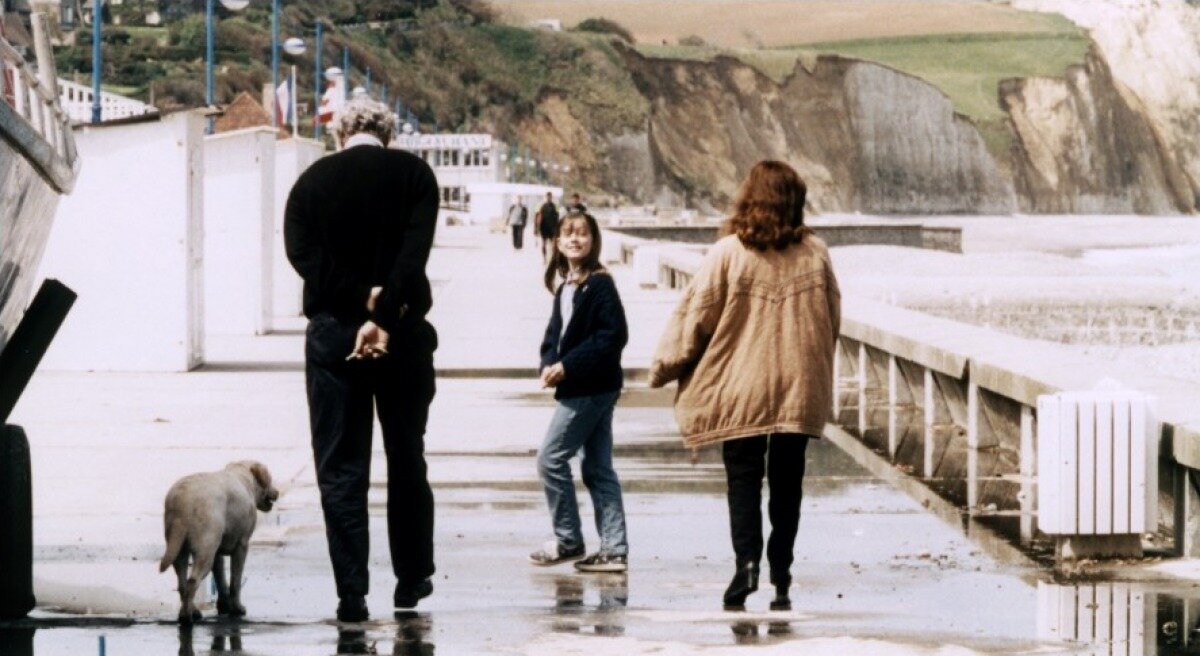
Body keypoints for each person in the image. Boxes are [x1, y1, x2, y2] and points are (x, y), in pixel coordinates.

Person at [648, 161, 840, 611]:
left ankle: (746, 565)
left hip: (740, 385)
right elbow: (832, 319)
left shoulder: (728, 253)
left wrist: (664, 367)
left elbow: (695, 318)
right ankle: (782, 571)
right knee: (789, 481)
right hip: (798, 385)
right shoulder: (815, 253)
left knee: (743, 479)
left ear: (750, 198)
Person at [285, 97, 440, 622]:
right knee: (406, 456)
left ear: (339, 134)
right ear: (388, 134)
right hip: (403, 335)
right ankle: (412, 578)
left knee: (341, 467)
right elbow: (414, 255)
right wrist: (385, 312)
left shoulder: (310, 184)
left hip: (334, 336)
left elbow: (304, 257)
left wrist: (359, 300)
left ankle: (352, 591)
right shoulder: (415, 176)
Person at [529, 211, 631, 573]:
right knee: (598, 468)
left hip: (591, 388)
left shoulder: (600, 284)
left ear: (594, 241)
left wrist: (568, 366)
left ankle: (569, 540)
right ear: (557, 242)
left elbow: (613, 335)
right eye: (568, 234)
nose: (575, 239)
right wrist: (548, 364)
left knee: (550, 459)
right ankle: (614, 550)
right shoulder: (566, 287)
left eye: (583, 234)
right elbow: (553, 336)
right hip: (590, 386)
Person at [536, 192, 560, 262]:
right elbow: (538, 217)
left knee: (553, 244)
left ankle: (553, 258)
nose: (548, 198)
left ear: (551, 197)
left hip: (552, 228)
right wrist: (537, 228)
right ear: (545, 197)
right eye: (547, 197)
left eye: (550, 197)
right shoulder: (542, 205)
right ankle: (544, 258)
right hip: (544, 227)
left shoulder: (555, 205)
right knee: (544, 243)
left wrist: (557, 227)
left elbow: (557, 217)